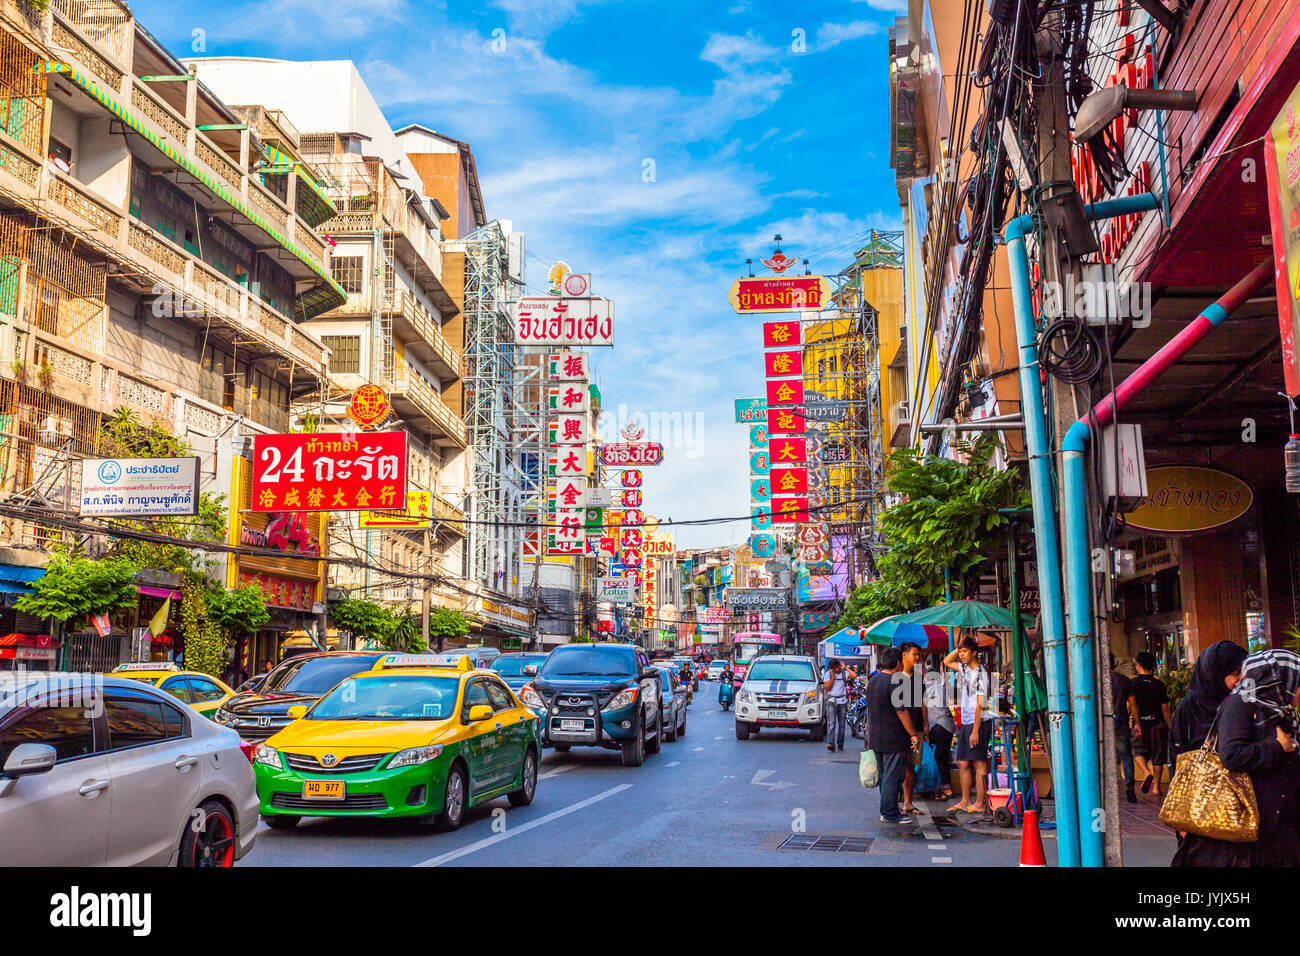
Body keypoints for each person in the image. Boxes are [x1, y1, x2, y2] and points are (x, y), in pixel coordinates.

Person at [1171, 649, 1300, 867]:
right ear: (1280, 679)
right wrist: (1276, 746)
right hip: (1248, 822)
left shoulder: (1281, 711)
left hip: (1280, 824)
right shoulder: (1239, 705)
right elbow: (1231, 755)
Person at [1168, 641, 1247, 776]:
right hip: (1201, 792)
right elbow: (1176, 754)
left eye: (1245, 672)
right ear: (1215, 673)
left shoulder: (1245, 703)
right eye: (1236, 673)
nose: (1242, 678)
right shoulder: (1189, 708)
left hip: (1241, 791)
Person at [866, 646, 923, 825]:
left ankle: (887, 809)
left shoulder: (873, 681)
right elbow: (901, 711)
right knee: (892, 775)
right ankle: (890, 812)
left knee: (884, 776)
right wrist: (912, 733)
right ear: (898, 662)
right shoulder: (894, 682)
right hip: (893, 737)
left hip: (876, 736)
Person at [943, 636, 991, 814]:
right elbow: (947, 660)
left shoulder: (980, 674)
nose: (961, 655)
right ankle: (965, 800)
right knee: (962, 762)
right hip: (966, 722)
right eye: (960, 652)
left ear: (975, 653)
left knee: (979, 764)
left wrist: (976, 731)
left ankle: (980, 803)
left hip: (978, 723)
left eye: (965, 652)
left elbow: (981, 704)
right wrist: (961, 645)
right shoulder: (965, 669)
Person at [1129, 650, 1171, 798]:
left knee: (1137, 751)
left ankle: (1146, 772)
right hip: (1157, 725)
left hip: (1140, 724)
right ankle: (1156, 788)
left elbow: (1131, 705)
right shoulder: (1159, 684)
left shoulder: (1133, 683)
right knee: (1158, 755)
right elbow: (1165, 708)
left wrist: (1135, 721)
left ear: (1139, 665)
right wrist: (1169, 726)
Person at [924, 667, 955, 801]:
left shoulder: (926, 687)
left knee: (938, 759)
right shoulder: (941, 688)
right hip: (947, 727)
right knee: (943, 758)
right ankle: (943, 788)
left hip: (936, 726)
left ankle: (946, 789)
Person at [1110, 653, 1137, 804]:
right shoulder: (1124, 680)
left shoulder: (1096, 680)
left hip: (1103, 722)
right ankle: (1129, 785)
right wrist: (1137, 722)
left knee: (1105, 755)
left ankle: (1108, 787)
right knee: (1126, 755)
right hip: (1121, 720)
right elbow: (1133, 704)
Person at [823, 658, 858, 753]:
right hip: (832, 700)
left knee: (842, 724)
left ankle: (840, 744)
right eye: (835, 668)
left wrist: (846, 668)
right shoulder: (828, 675)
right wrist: (833, 678)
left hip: (842, 701)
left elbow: (854, 676)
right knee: (832, 724)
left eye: (838, 667)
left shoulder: (844, 673)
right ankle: (831, 743)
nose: (837, 669)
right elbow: (827, 687)